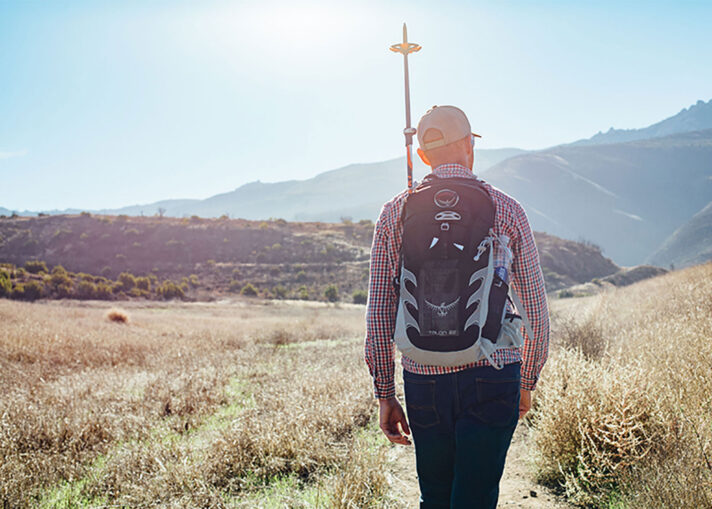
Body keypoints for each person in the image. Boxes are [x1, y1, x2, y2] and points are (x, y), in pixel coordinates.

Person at [365, 105, 549, 508]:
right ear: (469, 146)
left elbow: (379, 311)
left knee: (435, 497)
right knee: (475, 498)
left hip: (423, 378)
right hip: (494, 371)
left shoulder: (396, 211)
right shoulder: (507, 209)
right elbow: (535, 311)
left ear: (423, 155)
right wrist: (527, 380)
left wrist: (385, 392)